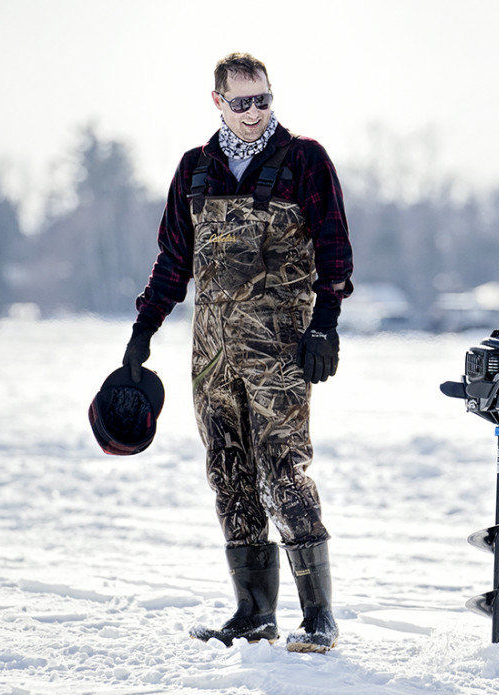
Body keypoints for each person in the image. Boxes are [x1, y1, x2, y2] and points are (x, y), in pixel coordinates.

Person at [122, 52, 353, 654]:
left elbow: (334, 249)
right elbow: (174, 260)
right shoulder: (195, 168)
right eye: (242, 101)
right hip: (211, 349)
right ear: (218, 101)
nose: (255, 113)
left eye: (264, 100)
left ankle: (318, 616)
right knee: (228, 470)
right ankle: (253, 612)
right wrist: (143, 331)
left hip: (278, 342)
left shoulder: (305, 160)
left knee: (283, 469)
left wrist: (324, 324)